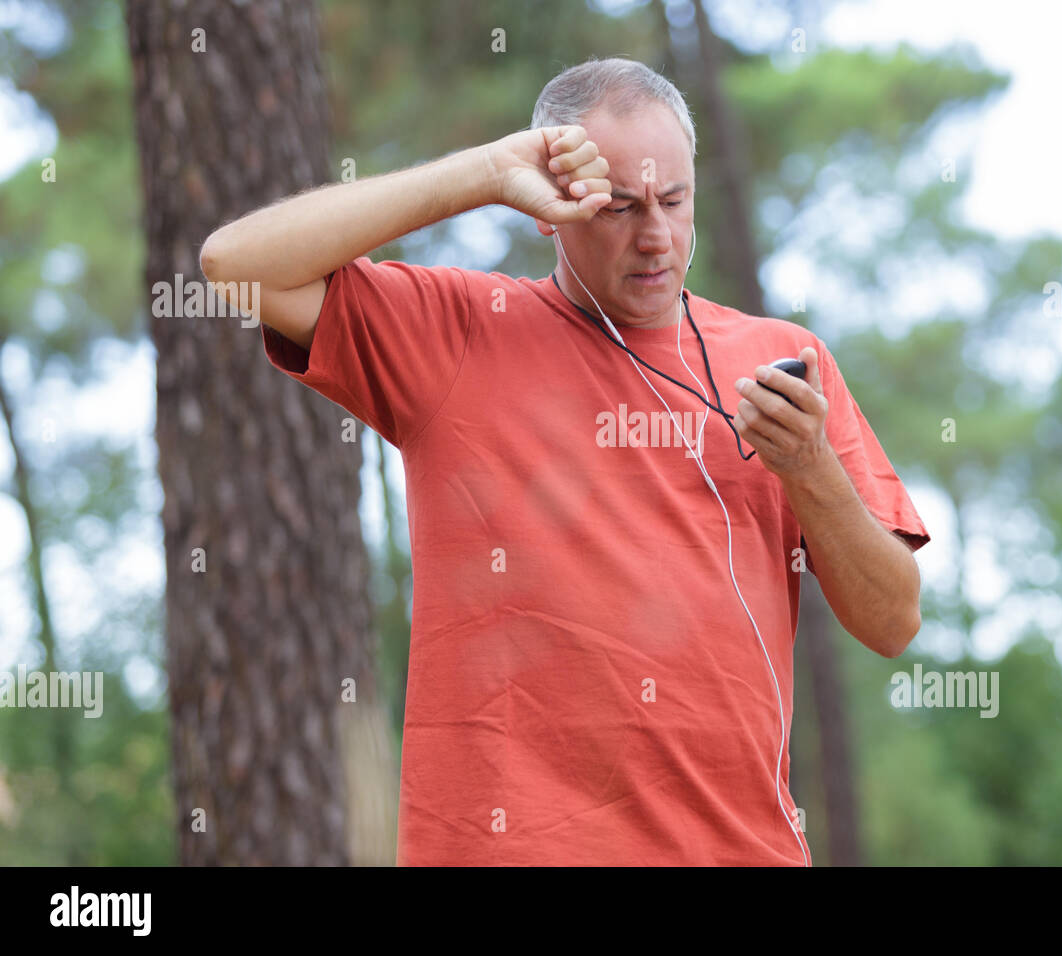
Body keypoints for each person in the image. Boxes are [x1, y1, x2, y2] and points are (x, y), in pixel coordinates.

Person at [199, 56, 930, 867]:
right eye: (618, 207)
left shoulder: (783, 360)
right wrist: (485, 172)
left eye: (675, 201)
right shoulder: (458, 332)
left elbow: (893, 619)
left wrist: (812, 469)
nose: (655, 236)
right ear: (551, 207)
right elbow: (235, 263)